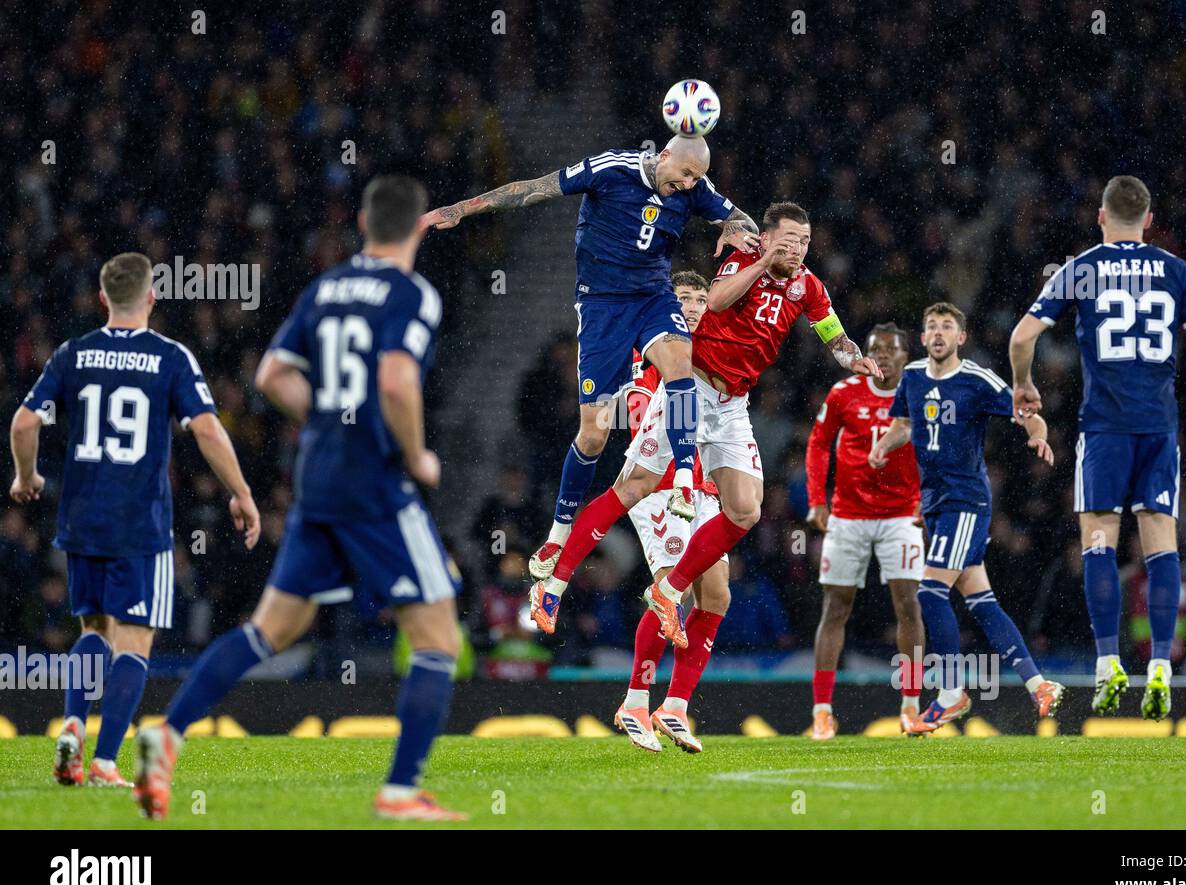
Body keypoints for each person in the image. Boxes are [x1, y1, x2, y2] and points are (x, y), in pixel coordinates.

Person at [134, 176, 464, 822]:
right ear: (416, 228)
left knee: (270, 629)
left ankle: (165, 735)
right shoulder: (412, 293)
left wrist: (329, 419)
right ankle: (401, 791)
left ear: (365, 224)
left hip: (317, 479)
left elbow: (271, 375)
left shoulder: (326, 287)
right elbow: (396, 380)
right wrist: (415, 453)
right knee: (438, 639)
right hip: (374, 484)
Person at [531, 202, 882, 650]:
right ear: (767, 238)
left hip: (733, 405)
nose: (797, 249)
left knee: (746, 511)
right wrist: (762, 261)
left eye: (805, 242)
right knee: (634, 487)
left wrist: (854, 359)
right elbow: (716, 300)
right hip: (691, 387)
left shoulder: (808, 286)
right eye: (789, 239)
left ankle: (668, 590)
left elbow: (833, 333)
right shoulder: (743, 258)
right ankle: (554, 584)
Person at [421, 137, 758, 579]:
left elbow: (743, 220)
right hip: (601, 308)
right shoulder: (610, 169)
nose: (690, 184)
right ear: (664, 157)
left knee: (680, 364)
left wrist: (733, 225)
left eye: (698, 178)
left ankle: (682, 480)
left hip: (653, 297)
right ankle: (558, 533)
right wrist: (462, 209)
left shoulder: (696, 188)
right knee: (594, 435)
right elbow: (533, 189)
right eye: (686, 174)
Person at [9, 251, 259, 788]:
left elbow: (24, 422)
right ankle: (103, 762)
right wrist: (240, 492)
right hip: (139, 522)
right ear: (151, 297)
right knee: (135, 641)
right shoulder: (170, 357)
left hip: (81, 519)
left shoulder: (74, 353)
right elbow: (207, 429)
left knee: (94, 629)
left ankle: (73, 724)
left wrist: (26, 476)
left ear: (103, 298)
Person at [1009, 175, 1186, 719]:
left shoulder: (1081, 269)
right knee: (1161, 547)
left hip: (1104, 429)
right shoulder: (1176, 270)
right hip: (1158, 428)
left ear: (1101, 217)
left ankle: (1108, 661)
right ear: (1149, 220)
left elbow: (1022, 336)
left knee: (1098, 544)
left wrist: (1023, 385)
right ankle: (1160, 664)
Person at [871, 302, 1064, 731]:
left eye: (947, 327)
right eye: (932, 326)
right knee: (982, 601)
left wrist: (1038, 435)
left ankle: (951, 693)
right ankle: (1039, 685)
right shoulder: (913, 377)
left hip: (965, 502)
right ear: (923, 338)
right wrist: (884, 445)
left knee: (929, 593)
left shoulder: (977, 380)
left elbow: (1027, 412)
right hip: (936, 504)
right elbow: (905, 425)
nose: (938, 333)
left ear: (961, 337)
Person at [614, 270, 729, 754]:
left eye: (701, 298)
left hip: (701, 488)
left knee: (717, 595)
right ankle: (635, 701)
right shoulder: (652, 357)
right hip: (660, 488)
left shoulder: (709, 354)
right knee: (669, 594)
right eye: (684, 298)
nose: (695, 306)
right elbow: (641, 420)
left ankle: (675, 707)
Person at [805, 322, 928, 738]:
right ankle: (822, 711)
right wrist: (817, 500)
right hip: (849, 514)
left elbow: (937, 448)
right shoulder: (844, 392)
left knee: (908, 605)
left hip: (902, 515)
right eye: (876, 349)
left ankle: (910, 706)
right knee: (835, 608)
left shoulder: (920, 393)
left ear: (906, 356)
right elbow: (818, 443)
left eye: (892, 349)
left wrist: (930, 497)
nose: (884, 356)